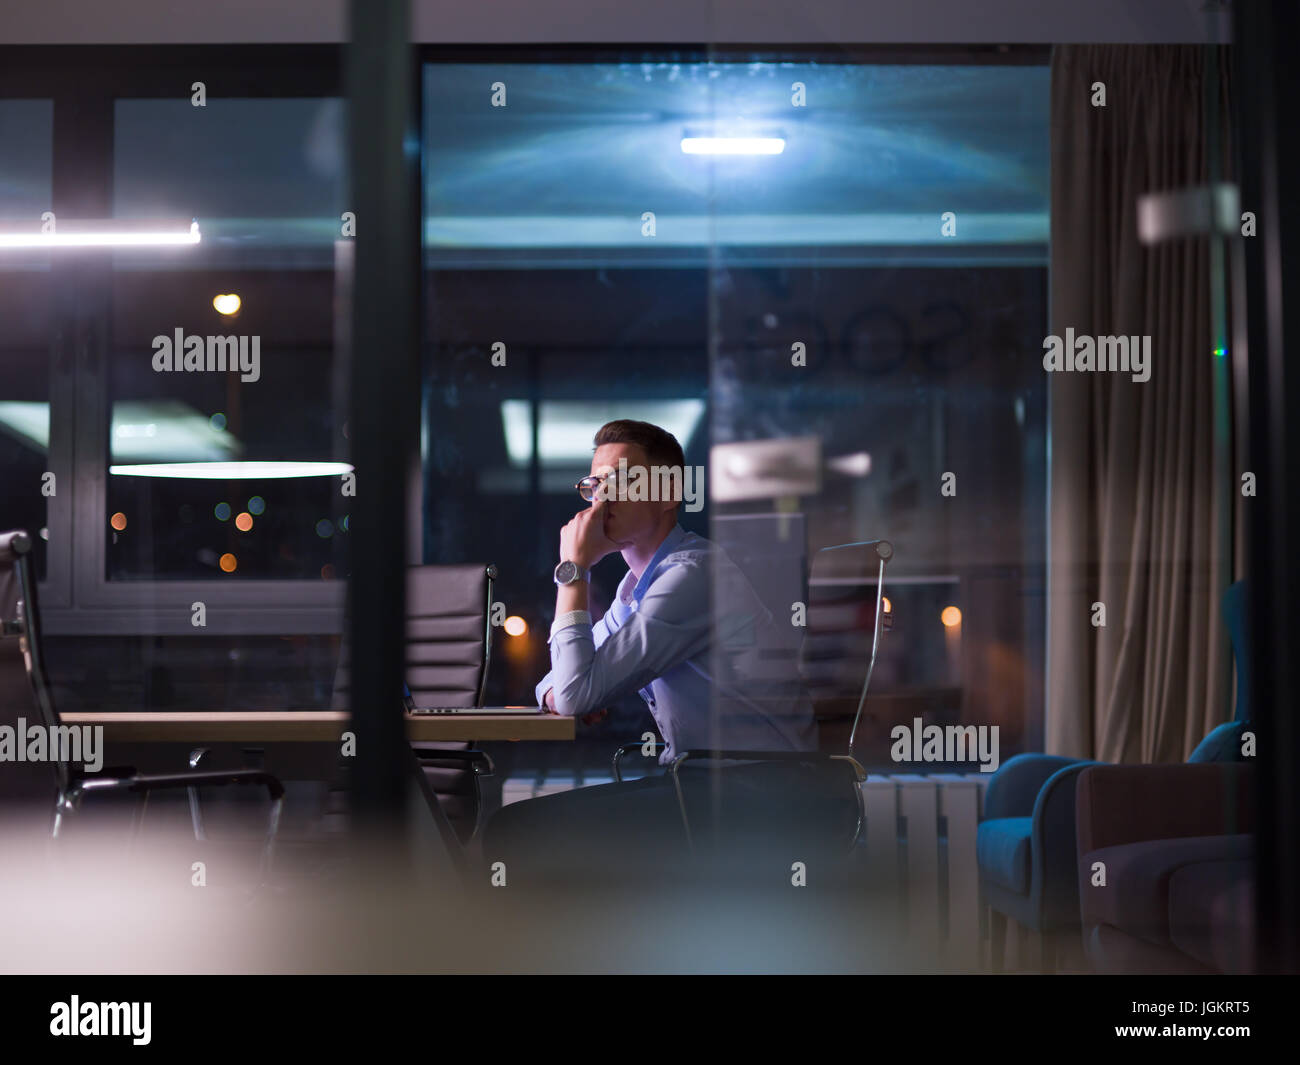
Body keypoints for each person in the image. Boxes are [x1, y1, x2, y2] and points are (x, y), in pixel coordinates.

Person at [481, 419, 856, 884]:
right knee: (518, 828)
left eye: (619, 482)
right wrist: (572, 689)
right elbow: (556, 684)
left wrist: (573, 569)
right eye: (593, 484)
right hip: (701, 785)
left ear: (667, 494)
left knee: (515, 831)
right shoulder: (636, 588)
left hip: (759, 793)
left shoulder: (692, 576)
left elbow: (575, 693)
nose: (601, 498)